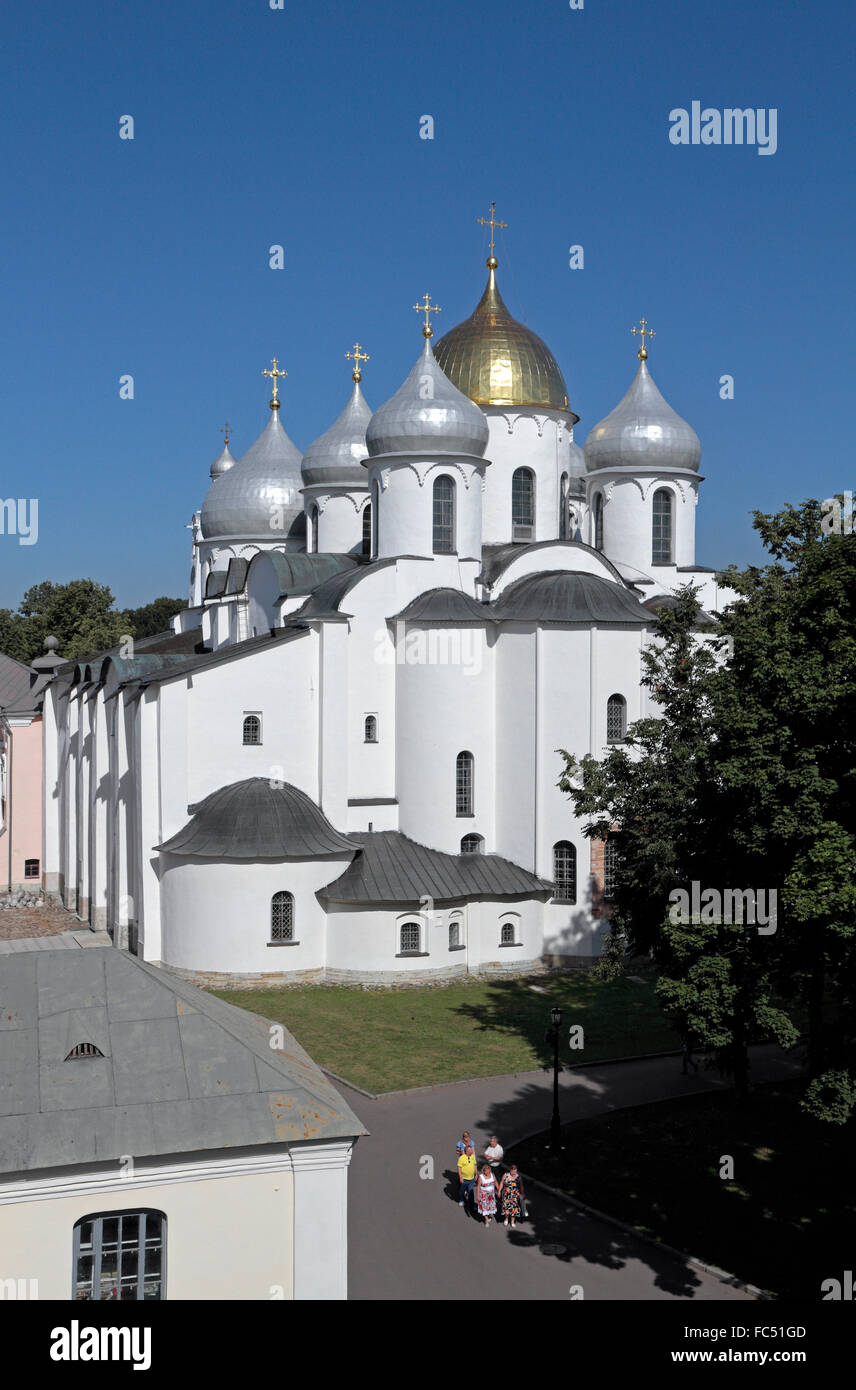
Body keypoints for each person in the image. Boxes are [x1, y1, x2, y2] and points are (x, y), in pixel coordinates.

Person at [498, 1163, 526, 1228]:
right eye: (513, 1171)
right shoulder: (506, 1175)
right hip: (506, 1194)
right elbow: (501, 1183)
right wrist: (499, 1191)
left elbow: (521, 1186)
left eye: (515, 1172)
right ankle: (506, 1219)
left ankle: (512, 1221)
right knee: (506, 1207)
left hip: (514, 1195)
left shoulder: (518, 1177)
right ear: (510, 1170)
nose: (514, 1173)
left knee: (514, 1208)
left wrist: (523, 1193)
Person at [457, 1143, 477, 1212]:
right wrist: (460, 1177)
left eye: (471, 1150)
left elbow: (475, 1165)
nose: (472, 1151)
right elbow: (459, 1168)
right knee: (462, 1191)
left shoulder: (473, 1157)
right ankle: (462, 1200)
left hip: (471, 1179)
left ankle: (472, 1206)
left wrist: (476, 1174)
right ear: (466, 1151)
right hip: (464, 1179)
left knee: (471, 1192)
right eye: (470, 1150)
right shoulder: (461, 1158)